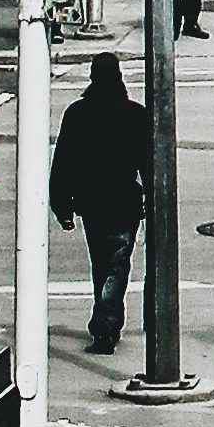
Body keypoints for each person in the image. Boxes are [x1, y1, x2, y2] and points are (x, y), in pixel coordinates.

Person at [49, 46, 151, 354]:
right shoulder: (135, 114)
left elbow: (63, 160)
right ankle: (107, 317)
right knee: (118, 262)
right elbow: (148, 162)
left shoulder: (78, 114)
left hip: (91, 201)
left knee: (101, 263)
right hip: (123, 200)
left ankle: (105, 315)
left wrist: (61, 204)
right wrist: (154, 197)